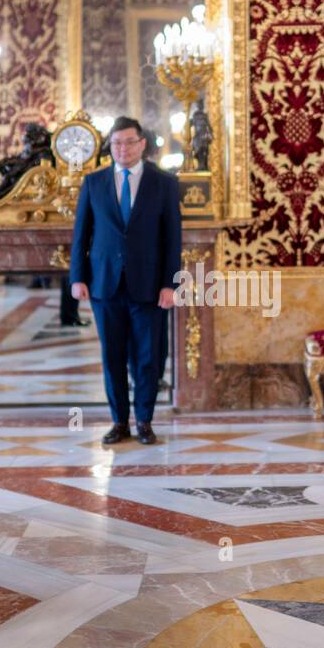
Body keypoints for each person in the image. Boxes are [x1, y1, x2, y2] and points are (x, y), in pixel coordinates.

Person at [69, 116, 181, 445]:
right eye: (116, 143)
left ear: (142, 144)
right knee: (112, 357)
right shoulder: (93, 183)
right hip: (105, 284)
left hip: (150, 285)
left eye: (129, 142)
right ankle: (120, 421)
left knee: (149, 357)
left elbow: (172, 239)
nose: (122, 149)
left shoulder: (165, 183)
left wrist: (170, 284)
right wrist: (77, 277)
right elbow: (81, 235)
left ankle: (144, 420)